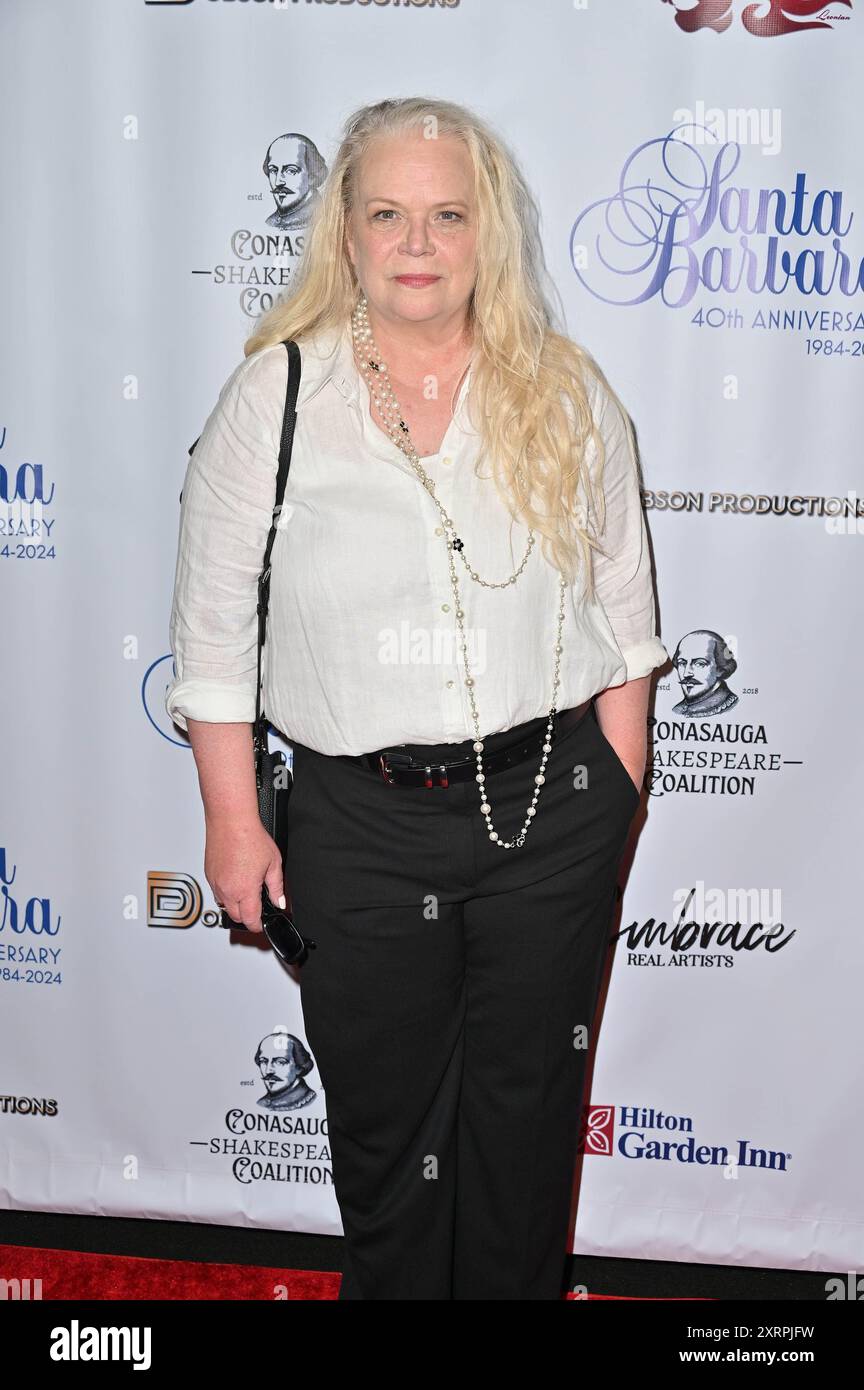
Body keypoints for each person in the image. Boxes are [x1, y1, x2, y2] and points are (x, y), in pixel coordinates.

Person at [165, 96, 669, 1301]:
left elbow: (629, 623)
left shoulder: (568, 392)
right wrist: (235, 822)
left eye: (447, 215)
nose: (418, 243)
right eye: (388, 213)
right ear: (343, 231)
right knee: (390, 1151)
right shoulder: (274, 398)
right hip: (360, 825)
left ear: (486, 232)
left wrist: (617, 796)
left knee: (524, 1136)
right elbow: (212, 635)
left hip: (549, 807)